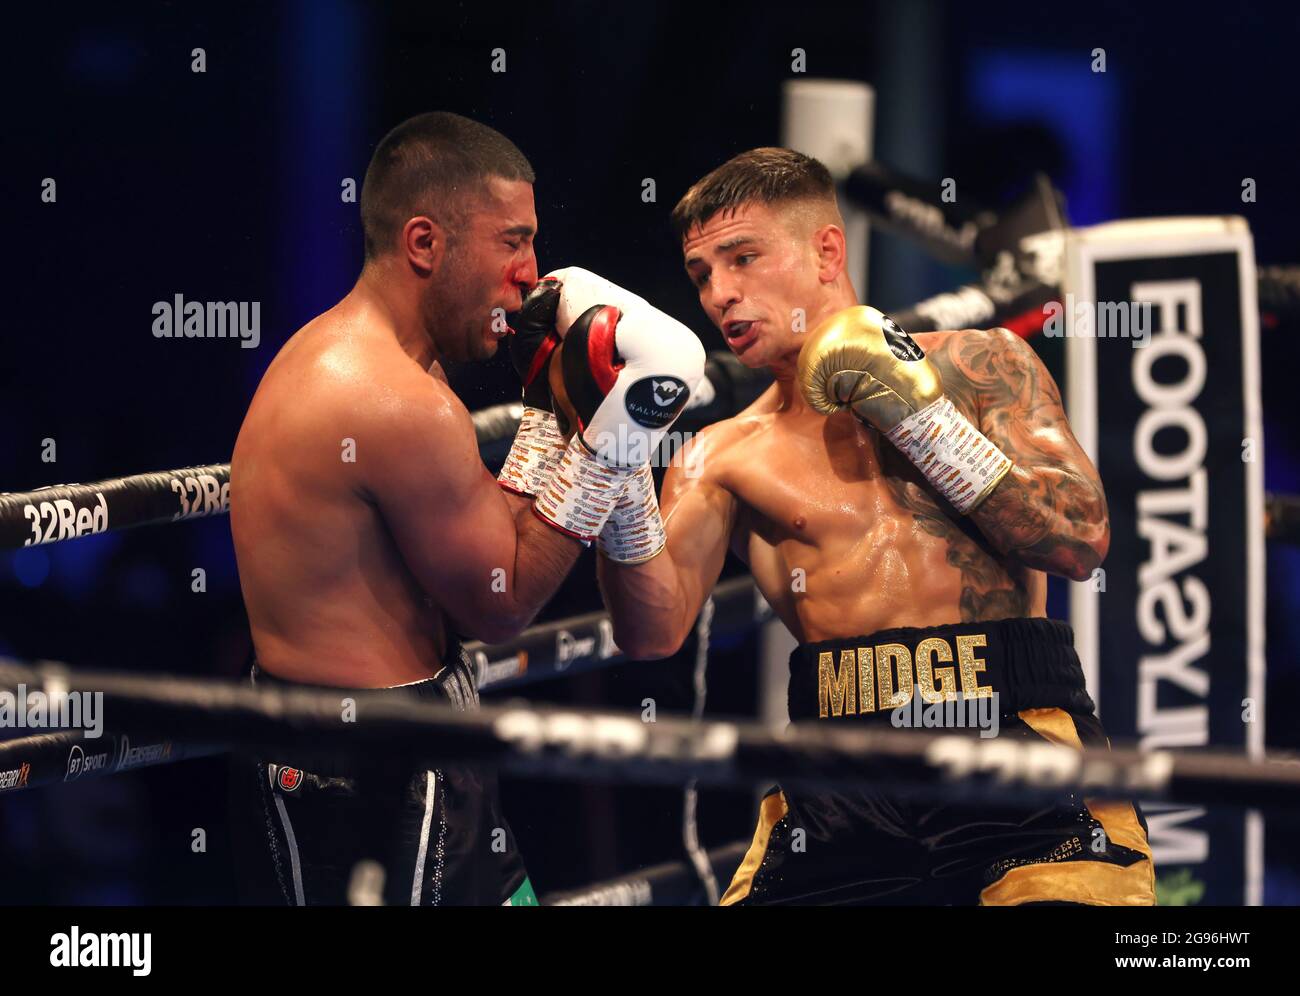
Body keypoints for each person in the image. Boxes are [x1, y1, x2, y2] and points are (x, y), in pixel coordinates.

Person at [594, 147, 1156, 905]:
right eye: (702, 275)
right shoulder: (720, 455)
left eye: (742, 258)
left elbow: (1081, 539)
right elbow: (651, 632)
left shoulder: (983, 363)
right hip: (837, 782)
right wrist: (611, 456)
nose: (721, 294)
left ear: (827, 249)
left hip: (1019, 750)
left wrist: (920, 421)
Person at [228, 111, 702, 905]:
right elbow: (503, 601)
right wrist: (616, 440)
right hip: (364, 775)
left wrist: (559, 414)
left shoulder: (400, 372)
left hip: (419, 741)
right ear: (424, 244)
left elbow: (493, 535)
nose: (531, 272)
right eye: (512, 241)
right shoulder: (388, 398)